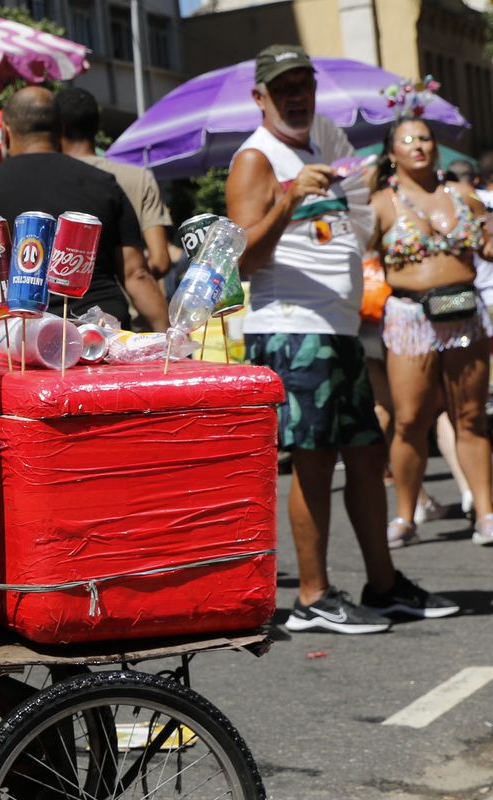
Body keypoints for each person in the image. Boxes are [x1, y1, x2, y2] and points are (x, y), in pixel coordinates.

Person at [225, 44, 456, 634]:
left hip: (339, 326)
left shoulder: (324, 142)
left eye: (304, 84)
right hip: (291, 328)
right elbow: (241, 259)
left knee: (365, 454)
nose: (297, 95)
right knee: (314, 461)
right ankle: (311, 596)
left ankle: (382, 587)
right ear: (261, 100)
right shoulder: (256, 159)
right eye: (284, 89)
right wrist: (288, 197)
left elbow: (347, 224)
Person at [369, 111, 493, 546]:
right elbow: (362, 260)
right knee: (409, 420)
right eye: (407, 140)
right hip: (410, 319)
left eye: (424, 137)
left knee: (472, 416)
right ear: (391, 153)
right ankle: (406, 514)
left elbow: (488, 246)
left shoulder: (465, 196)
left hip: (464, 312)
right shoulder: (380, 203)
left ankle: (485, 512)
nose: (418, 145)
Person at [0, 87, 167, 331]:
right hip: (98, 334)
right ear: (61, 131)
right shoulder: (103, 183)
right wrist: (175, 348)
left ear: (6, 133)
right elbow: (136, 274)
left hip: (13, 341)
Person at [56, 87, 172, 278]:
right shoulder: (139, 177)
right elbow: (160, 261)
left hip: (64, 302)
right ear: (96, 126)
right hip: (126, 303)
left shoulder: (50, 178)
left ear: (58, 127)